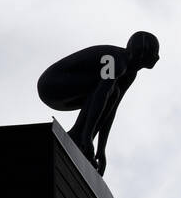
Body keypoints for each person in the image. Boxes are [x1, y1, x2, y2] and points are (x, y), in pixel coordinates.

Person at [36, 32, 159, 175]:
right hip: (51, 84)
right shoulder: (115, 60)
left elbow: (112, 108)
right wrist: (87, 137)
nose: (157, 57)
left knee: (112, 93)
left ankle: (80, 138)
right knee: (108, 90)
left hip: (69, 89)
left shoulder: (130, 73)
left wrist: (101, 149)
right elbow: (101, 95)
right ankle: (79, 136)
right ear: (142, 52)